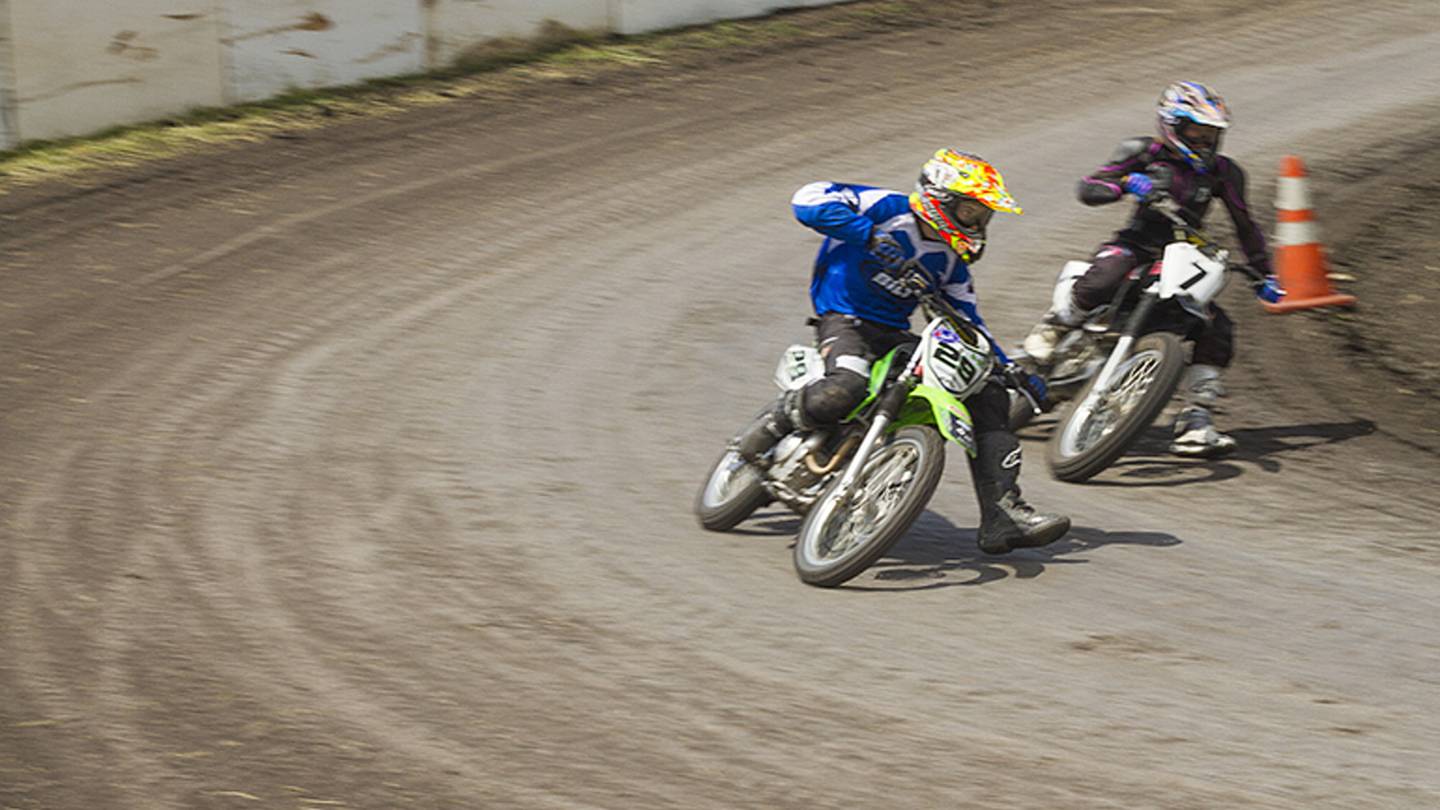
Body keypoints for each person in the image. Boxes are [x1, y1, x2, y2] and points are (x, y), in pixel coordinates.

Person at [735, 148, 1071, 555]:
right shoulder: (886, 207)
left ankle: (1003, 514)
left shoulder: (952, 263)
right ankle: (768, 428)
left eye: (983, 216)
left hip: (895, 332)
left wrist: (1011, 370)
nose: (979, 223)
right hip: (844, 316)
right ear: (940, 199)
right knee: (844, 388)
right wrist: (869, 235)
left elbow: (970, 324)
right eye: (971, 212)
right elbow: (807, 200)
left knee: (988, 391)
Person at [1022, 81, 1285, 457]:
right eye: (1197, 130)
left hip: (1183, 253)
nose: (1205, 139)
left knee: (1216, 326)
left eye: (1212, 132)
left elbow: (1246, 226)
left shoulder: (1226, 173)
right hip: (1136, 243)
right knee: (1107, 276)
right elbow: (1090, 186)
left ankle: (1197, 417)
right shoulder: (1144, 151)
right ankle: (1054, 326)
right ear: (1172, 125)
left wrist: (1265, 275)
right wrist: (1127, 184)